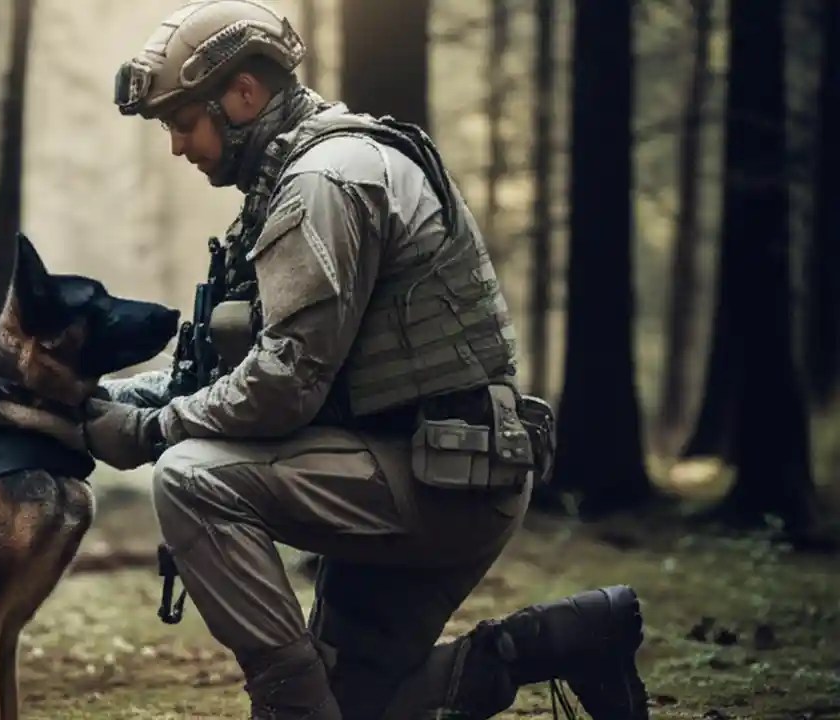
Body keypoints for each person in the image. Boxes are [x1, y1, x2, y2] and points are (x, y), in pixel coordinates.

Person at [80, 2, 650, 718]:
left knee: (193, 478)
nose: (176, 146)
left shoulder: (325, 182)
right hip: (422, 465)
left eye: (182, 122)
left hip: (438, 481)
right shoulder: (299, 177)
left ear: (244, 95)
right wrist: (102, 401)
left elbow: (282, 387)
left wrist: (153, 432)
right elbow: (226, 379)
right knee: (360, 703)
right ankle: (573, 637)